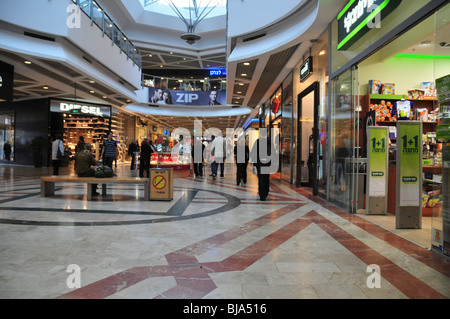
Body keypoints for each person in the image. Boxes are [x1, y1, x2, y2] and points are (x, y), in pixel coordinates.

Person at [252, 130, 272, 201]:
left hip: (259, 163)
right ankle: (266, 192)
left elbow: (253, 153)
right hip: (267, 163)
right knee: (266, 178)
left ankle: (262, 195)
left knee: (261, 179)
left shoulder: (257, 142)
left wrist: (254, 164)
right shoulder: (269, 141)